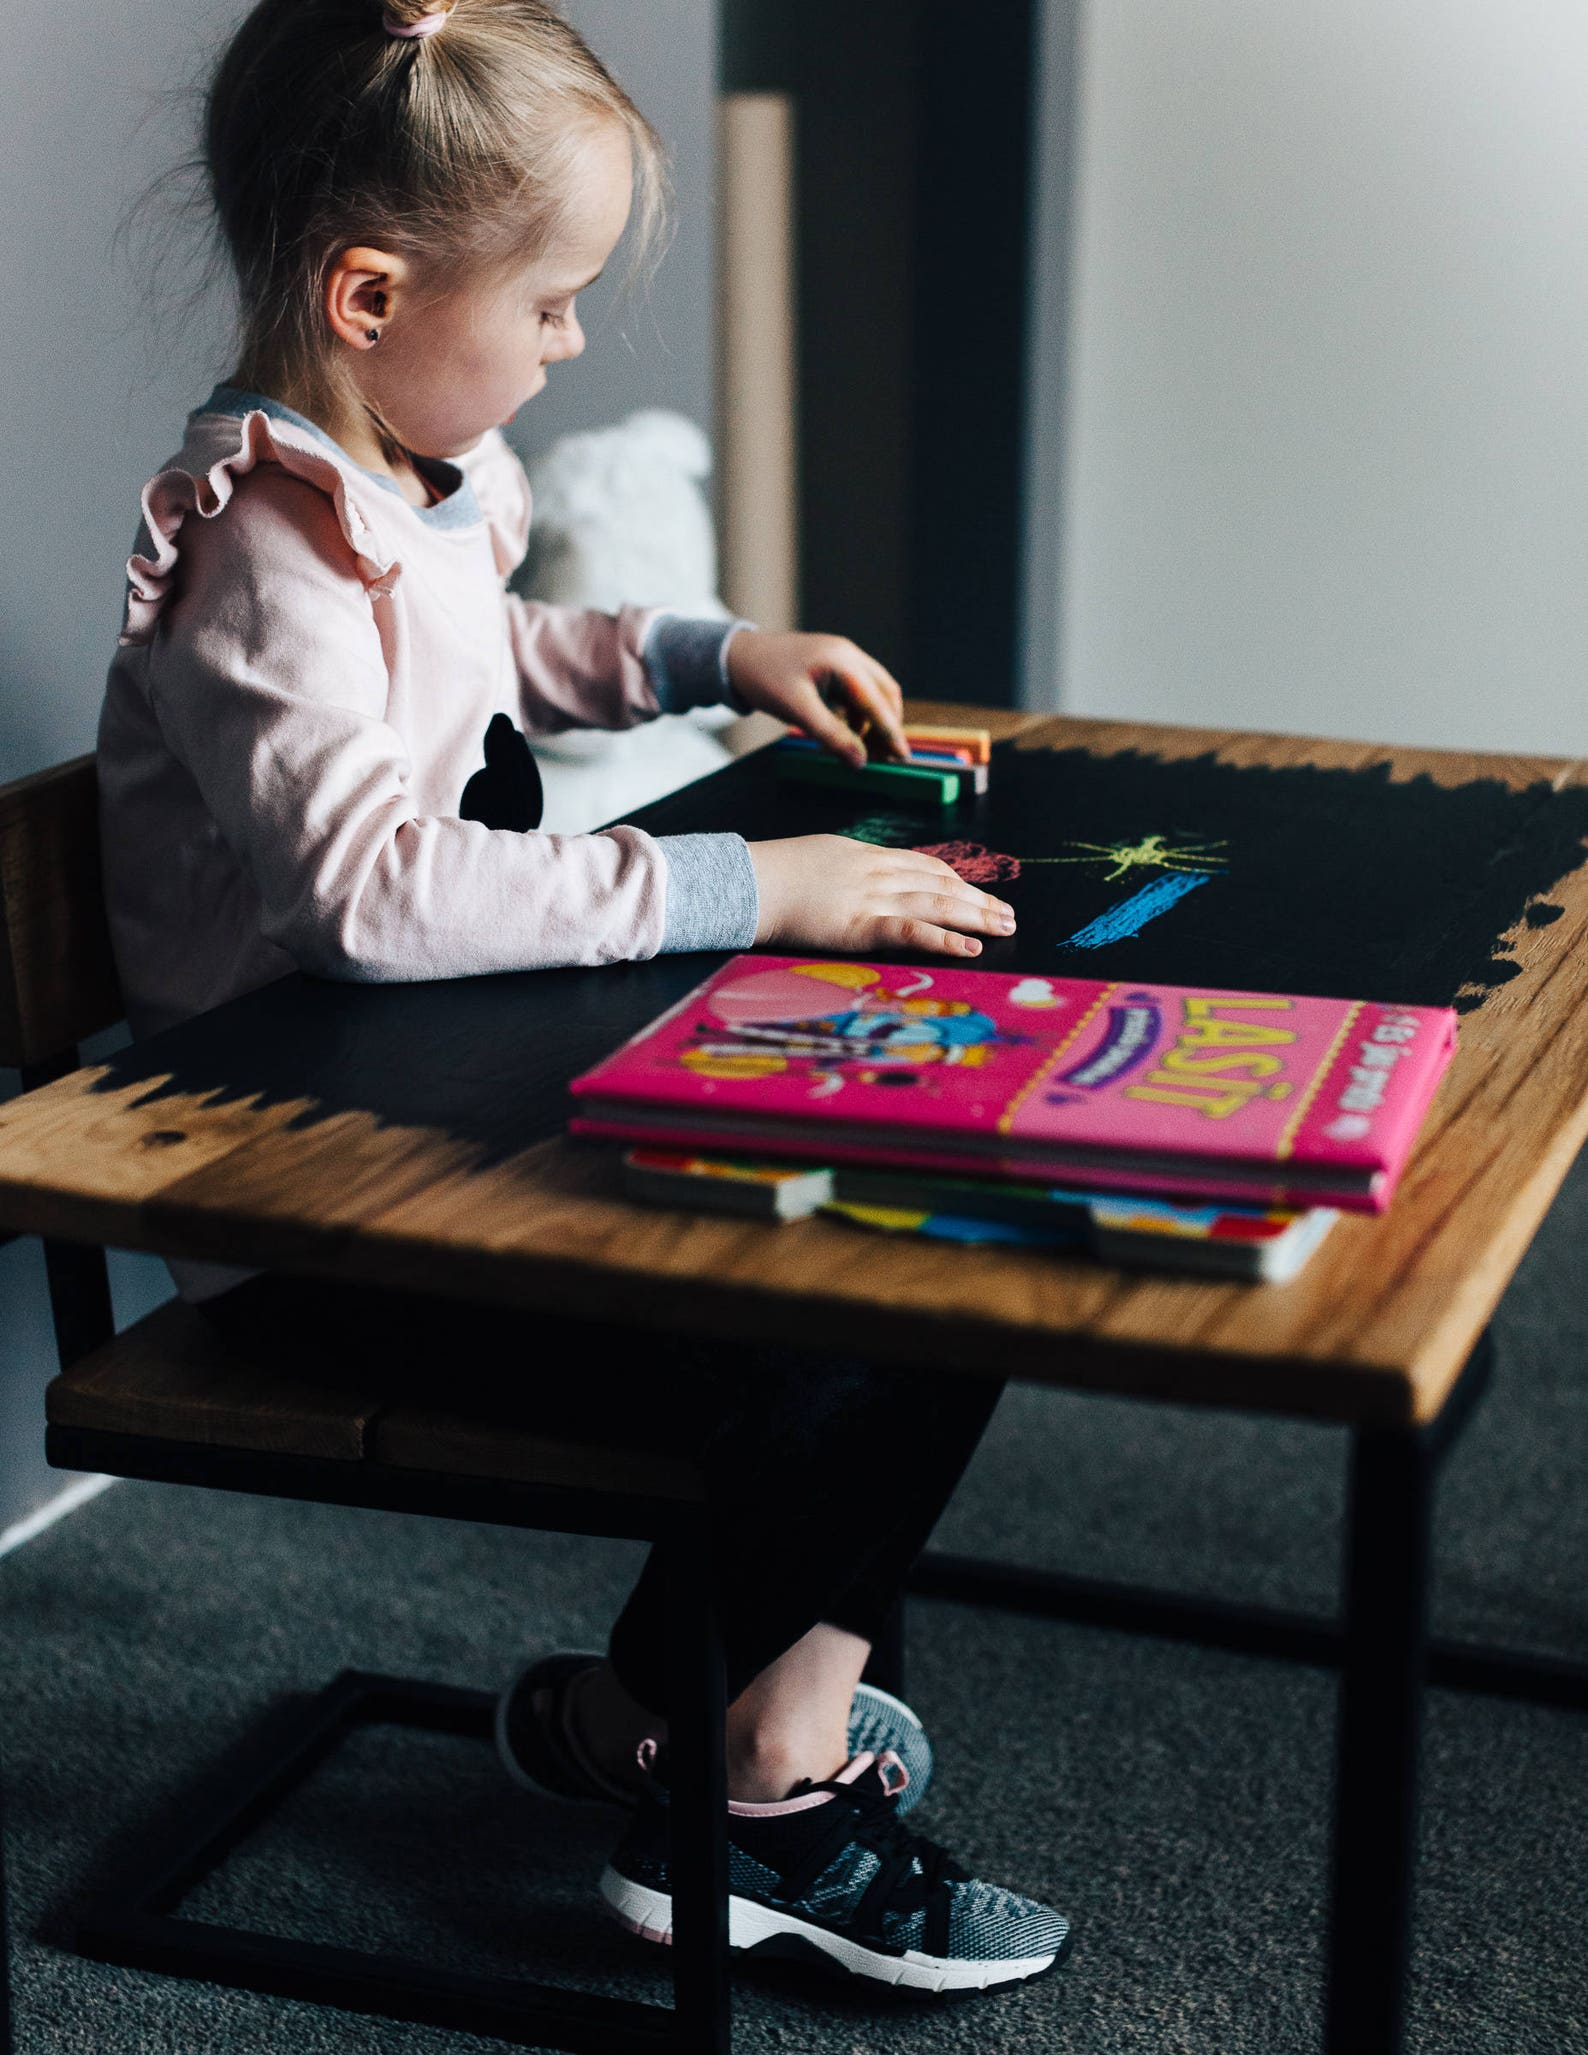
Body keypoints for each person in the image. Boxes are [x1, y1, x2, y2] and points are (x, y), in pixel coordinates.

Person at [98, 0, 1069, 1995]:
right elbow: (370, 895)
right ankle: (754, 1794)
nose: (566, 344)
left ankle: (662, 1722)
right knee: (873, 1319)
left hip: (442, 1108)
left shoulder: (405, 484)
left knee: (933, 1220)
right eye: (547, 303)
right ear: (370, 296)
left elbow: (499, 653)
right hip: (309, 1208)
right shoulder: (267, 555)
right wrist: (754, 883)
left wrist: (714, 652)